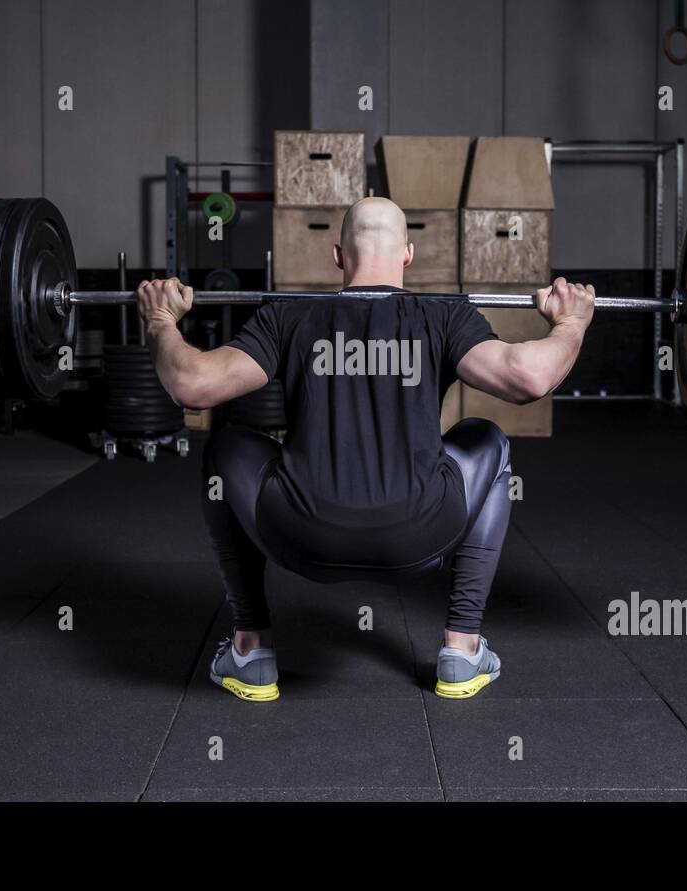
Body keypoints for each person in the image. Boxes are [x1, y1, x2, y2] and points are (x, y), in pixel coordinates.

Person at [138, 196, 594, 701]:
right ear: (409, 255)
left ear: (337, 256)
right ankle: (462, 651)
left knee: (225, 448)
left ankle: (251, 650)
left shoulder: (290, 315)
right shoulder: (442, 315)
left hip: (300, 535)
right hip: (423, 533)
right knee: (488, 439)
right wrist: (570, 324)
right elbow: (528, 378)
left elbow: (191, 386)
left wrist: (161, 320)